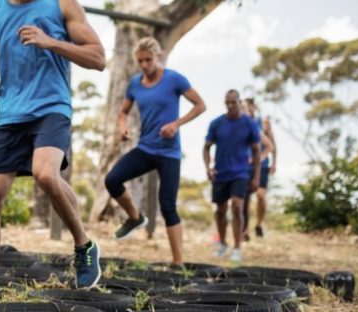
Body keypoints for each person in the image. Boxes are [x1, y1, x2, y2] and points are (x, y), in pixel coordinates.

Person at [0, 0, 106, 290]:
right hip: (10, 114)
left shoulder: (61, 2)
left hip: (51, 107)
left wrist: (49, 42)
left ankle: (83, 245)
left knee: (45, 174)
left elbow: (98, 58)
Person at [104, 37, 206, 266]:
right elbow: (123, 112)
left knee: (167, 204)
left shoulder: (174, 79)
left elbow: (200, 105)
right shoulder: (135, 84)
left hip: (169, 153)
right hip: (145, 148)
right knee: (112, 180)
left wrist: (176, 124)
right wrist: (123, 128)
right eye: (140, 61)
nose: (144, 65)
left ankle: (178, 262)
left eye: (148, 60)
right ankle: (135, 217)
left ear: (157, 57)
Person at [203, 90, 261, 263]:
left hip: (241, 173)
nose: (230, 106)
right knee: (220, 211)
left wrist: (256, 177)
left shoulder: (249, 123)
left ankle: (237, 247)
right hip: (221, 173)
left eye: (233, 103)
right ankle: (222, 243)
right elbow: (206, 147)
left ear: (239, 102)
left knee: (237, 206)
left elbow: (256, 151)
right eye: (227, 103)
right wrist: (208, 167)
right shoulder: (216, 123)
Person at [243, 98, 277, 239]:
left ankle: (259, 224)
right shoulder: (242, 122)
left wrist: (273, 162)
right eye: (244, 106)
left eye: (249, 106)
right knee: (245, 198)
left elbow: (272, 144)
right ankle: (244, 230)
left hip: (262, 165)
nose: (247, 109)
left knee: (261, 195)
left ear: (253, 107)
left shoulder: (263, 122)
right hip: (245, 165)